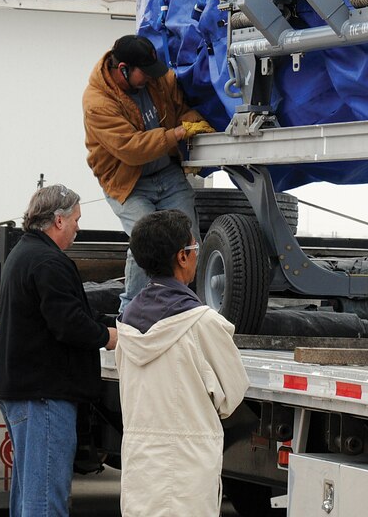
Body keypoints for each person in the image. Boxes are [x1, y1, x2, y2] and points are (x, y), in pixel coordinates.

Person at [0, 185, 118, 516]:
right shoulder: (48, 260)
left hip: (26, 391)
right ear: (58, 220)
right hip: (44, 395)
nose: (78, 226)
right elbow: (69, 323)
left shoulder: (24, 254)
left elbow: (68, 312)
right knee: (45, 498)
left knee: (29, 494)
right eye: (75, 219)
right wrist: (109, 336)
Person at [116, 209, 248, 517]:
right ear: (182, 257)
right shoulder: (201, 323)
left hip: (140, 467)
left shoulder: (127, 323)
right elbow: (233, 394)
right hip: (187, 469)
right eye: (195, 248)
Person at [83, 34, 215, 311]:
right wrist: (178, 133)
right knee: (145, 242)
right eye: (146, 73)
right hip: (127, 182)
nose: (152, 78)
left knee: (189, 240)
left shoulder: (157, 79)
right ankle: (129, 311)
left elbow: (180, 109)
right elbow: (131, 149)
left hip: (166, 173)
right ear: (123, 70)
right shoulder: (98, 102)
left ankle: (193, 307)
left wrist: (197, 125)